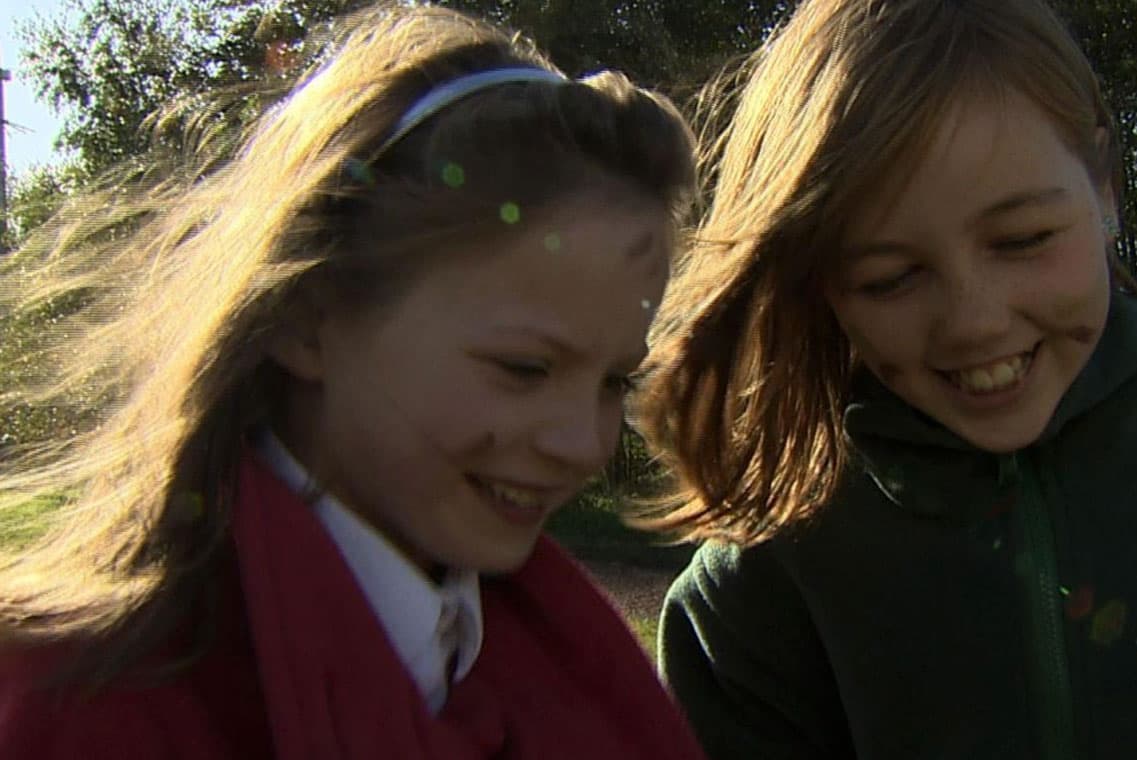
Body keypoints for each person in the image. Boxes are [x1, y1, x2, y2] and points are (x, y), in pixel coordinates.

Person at [0, 4, 706, 758]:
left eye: (611, 383)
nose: (582, 443)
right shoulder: (91, 707)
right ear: (307, 317)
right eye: (523, 369)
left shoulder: (576, 674)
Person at [633, 0, 1136, 757]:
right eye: (890, 278)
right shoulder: (764, 586)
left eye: (1022, 239)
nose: (973, 320)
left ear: (1102, 185)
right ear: (818, 287)